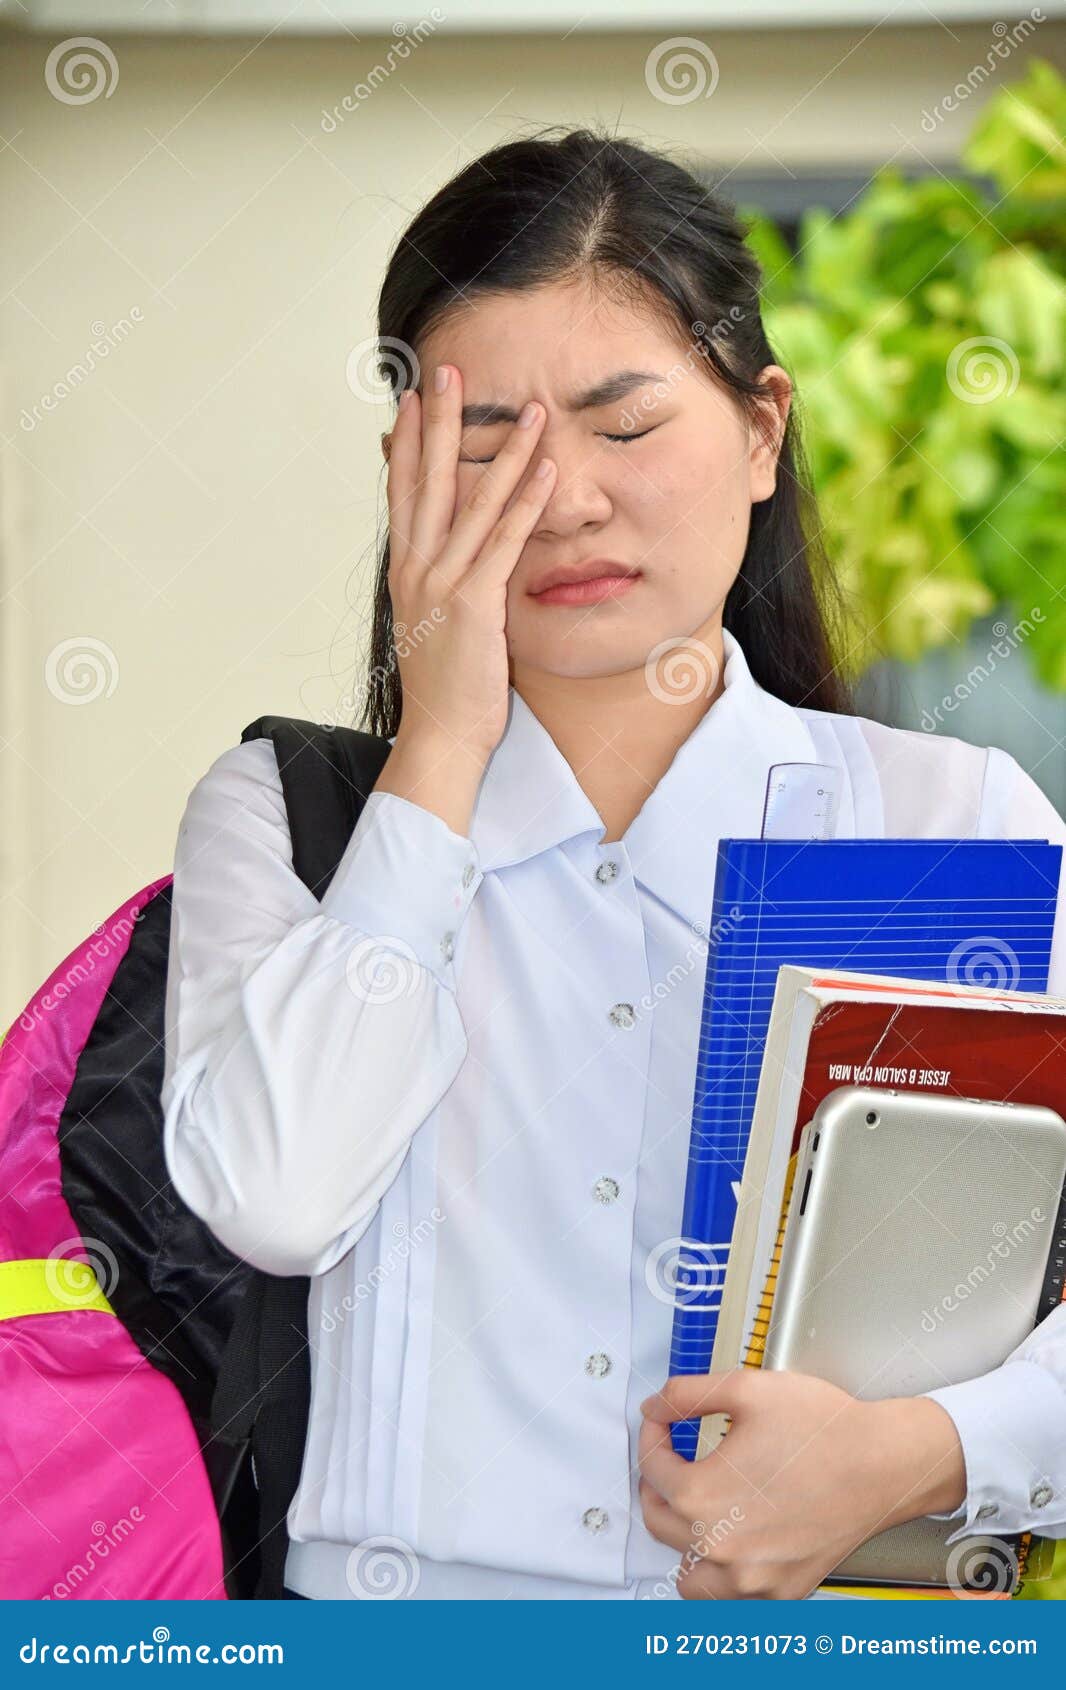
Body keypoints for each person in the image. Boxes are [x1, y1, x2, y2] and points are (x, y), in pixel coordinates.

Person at [161, 128, 1066, 1601]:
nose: (561, 497)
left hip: (820, 1639)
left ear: (761, 431)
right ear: (404, 475)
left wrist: (930, 1450)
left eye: (622, 425)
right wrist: (440, 755)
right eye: (486, 438)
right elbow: (273, 1197)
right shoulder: (288, 814)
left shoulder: (953, 828)